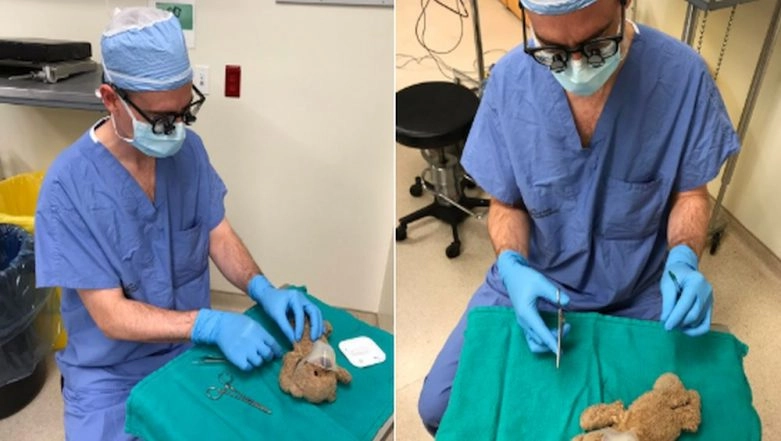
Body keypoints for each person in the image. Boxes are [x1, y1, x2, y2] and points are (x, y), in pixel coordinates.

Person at [418, 0, 739, 434]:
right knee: (441, 406)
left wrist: (684, 257)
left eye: (595, 44)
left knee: (679, 417)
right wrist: (511, 264)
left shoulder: (682, 78)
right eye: (550, 49)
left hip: (639, 290)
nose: (574, 66)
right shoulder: (512, 82)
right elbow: (507, 204)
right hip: (536, 284)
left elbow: (690, 194)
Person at [34, 8, 324, 440]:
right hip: (110, 376)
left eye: (185, 112)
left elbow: (217, 232)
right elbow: (111, 315)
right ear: (112, 99)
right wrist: (209, 323)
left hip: (190, 353)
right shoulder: (68, 188)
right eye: (162, 120)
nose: (175, 132)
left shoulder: (188, 153)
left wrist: (264, 289)